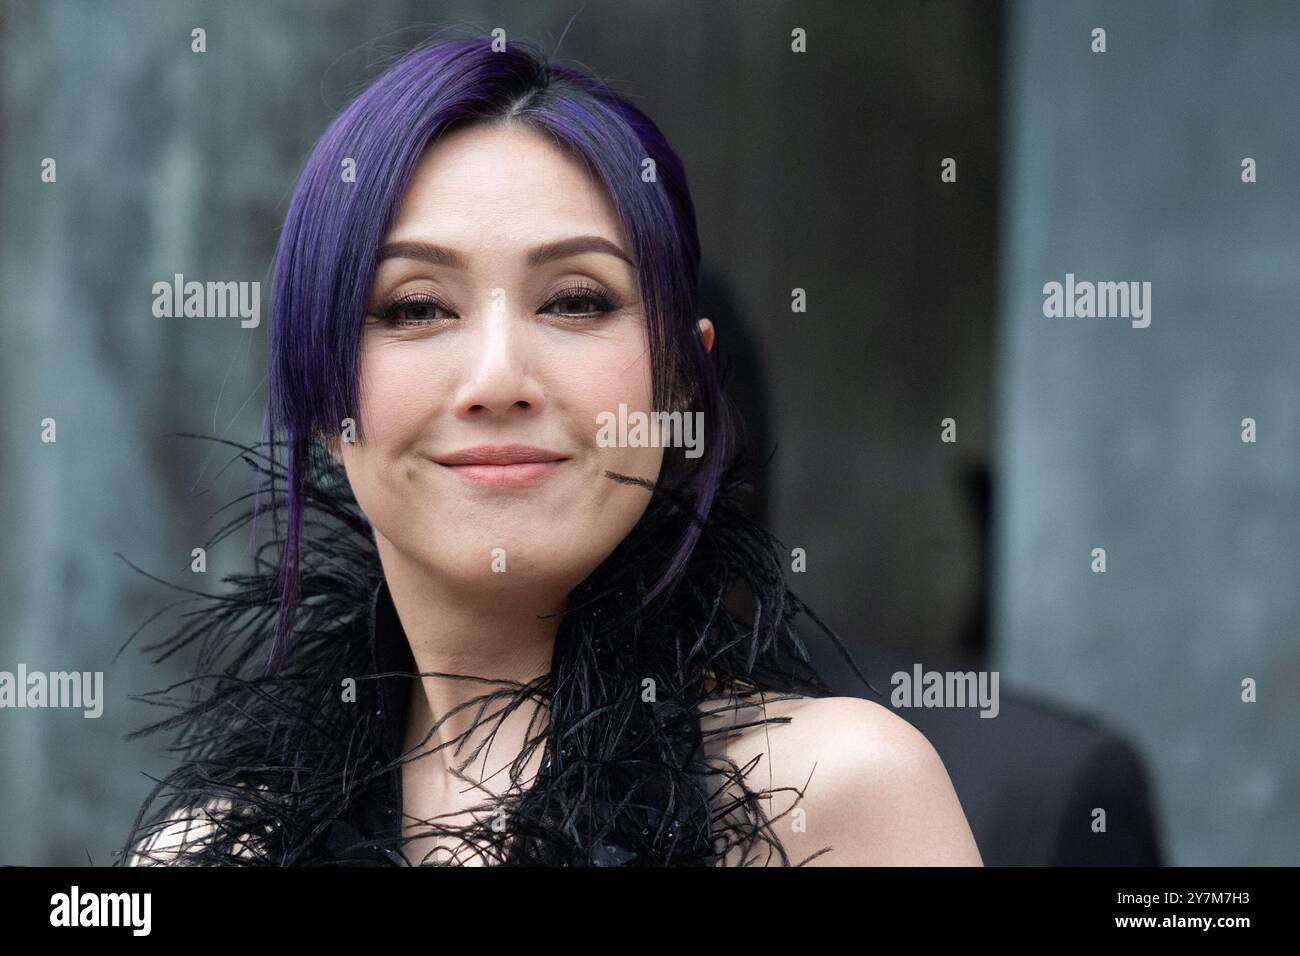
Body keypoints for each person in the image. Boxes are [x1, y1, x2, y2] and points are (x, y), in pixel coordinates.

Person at [119, 35, 982, 867]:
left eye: (575, 300)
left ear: (683, 378)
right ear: (319, 394)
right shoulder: (207, 851)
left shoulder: (832, 798)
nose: (498, 378)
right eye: (415, 308)